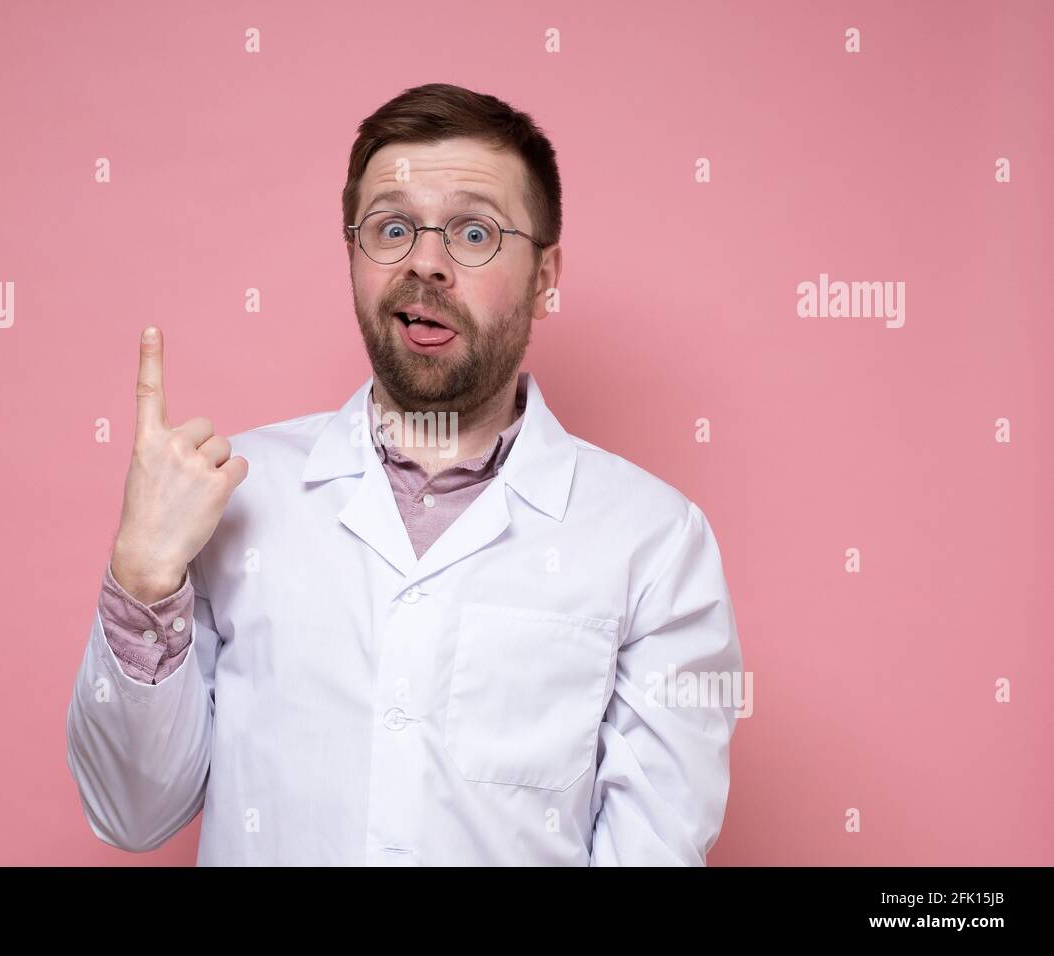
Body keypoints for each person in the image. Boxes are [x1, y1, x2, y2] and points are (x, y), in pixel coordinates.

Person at [66, 82, 743, 866]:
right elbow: (131, 812)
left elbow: (652, 851)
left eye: (474, 233)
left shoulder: (654, 541)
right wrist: (142, 577)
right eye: (392, 228)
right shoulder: (231, 495)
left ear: (545, 276)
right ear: (353, 254)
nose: (426, 261)